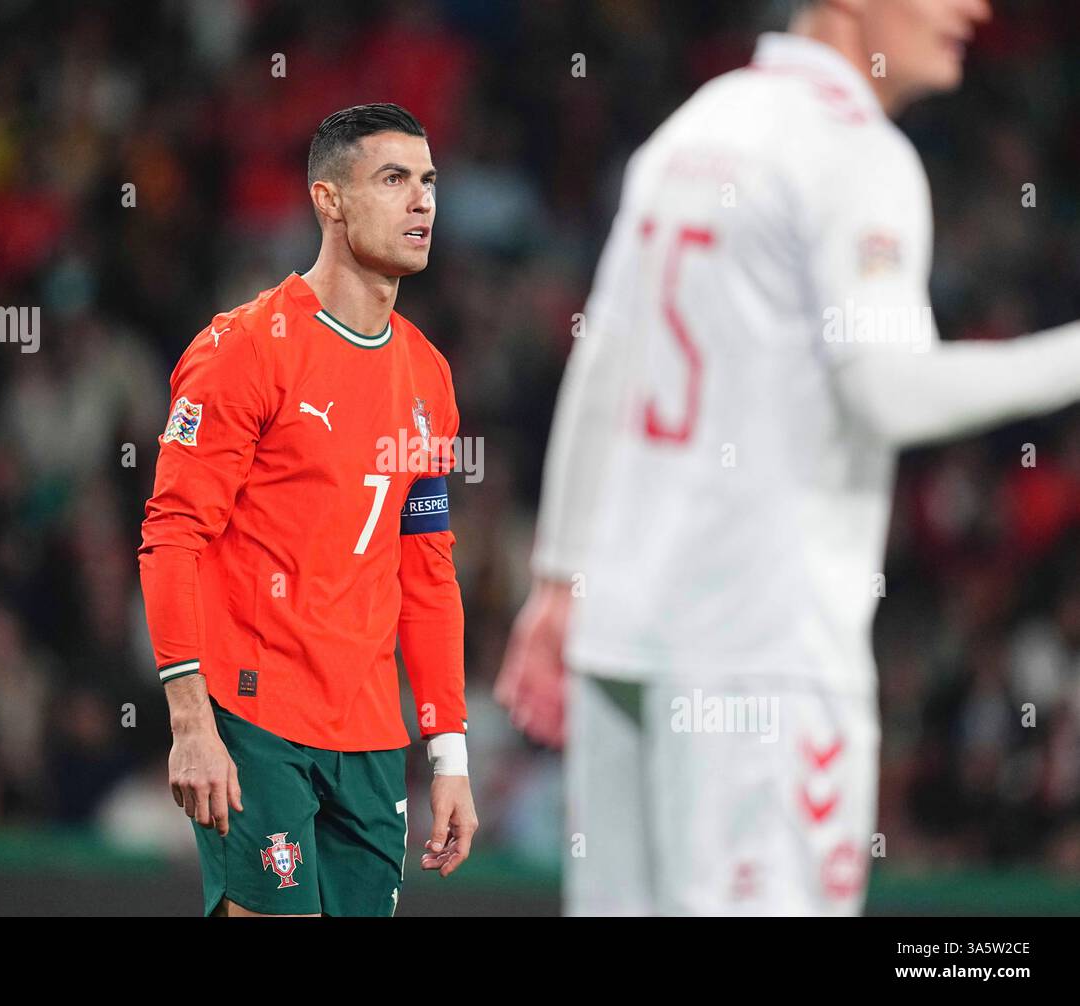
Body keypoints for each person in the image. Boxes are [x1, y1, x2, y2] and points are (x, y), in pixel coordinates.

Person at [496, 0, 1080, 915]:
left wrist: (558, 585)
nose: (976, 7)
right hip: (759, 659)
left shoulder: (693, 129)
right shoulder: (855, 153)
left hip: (625, 642)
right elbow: (888, 391)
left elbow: (604, 366)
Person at [139, 103, 476, 917]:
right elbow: (173, 534)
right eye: (393, 180)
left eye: (428, 181)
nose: (421, 202)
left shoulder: (429, 380)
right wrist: (191, 721)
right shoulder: (245, 349)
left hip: (367, 733)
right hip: (253, 713)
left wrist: (449, 755)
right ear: (328, 201)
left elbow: (425, 572)